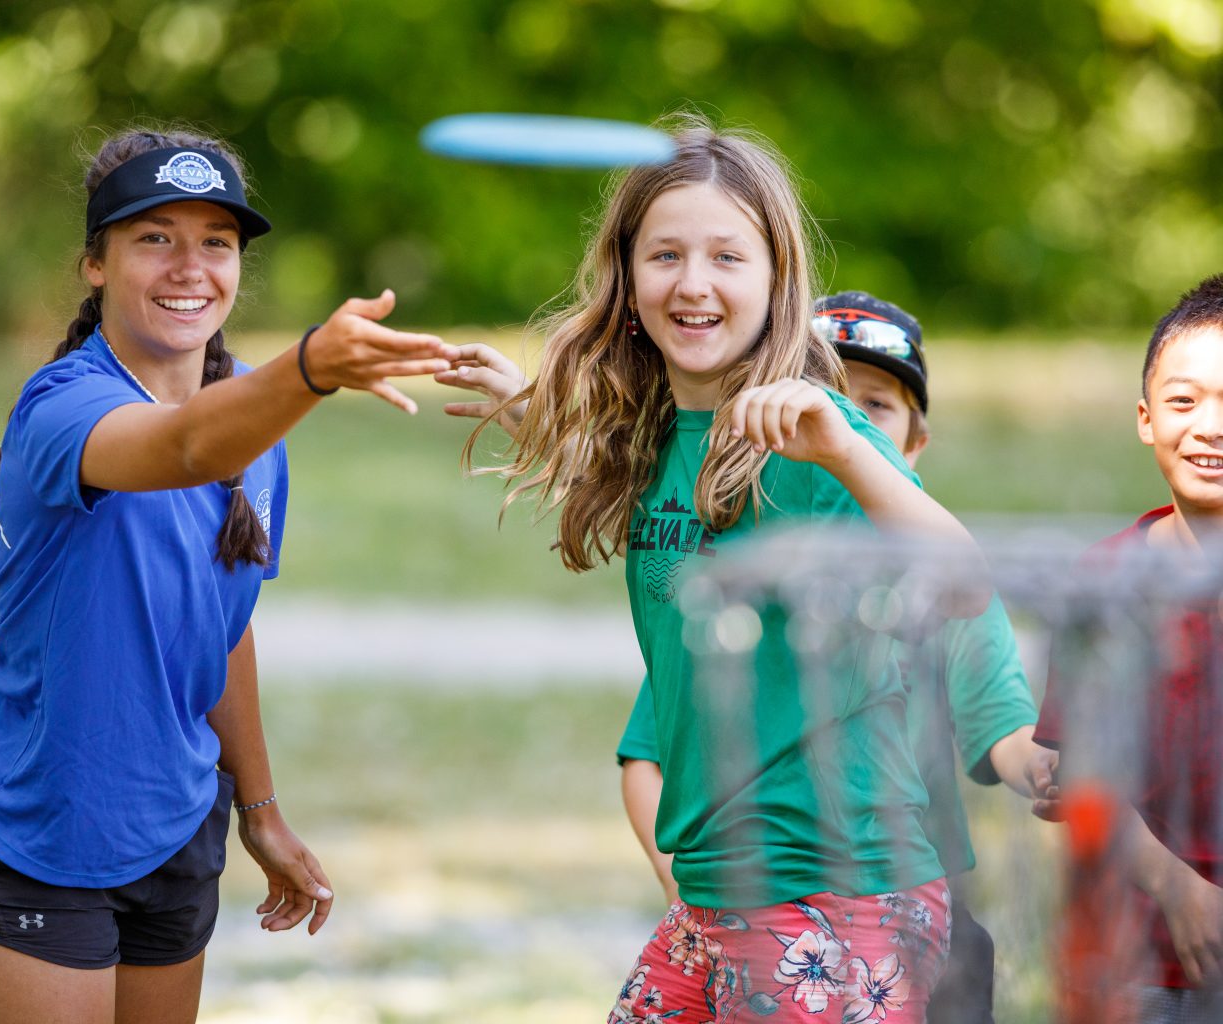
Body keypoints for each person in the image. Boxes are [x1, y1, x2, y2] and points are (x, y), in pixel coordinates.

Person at [440, 114, 986, 1023]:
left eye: (728, 258)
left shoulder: (814, 433)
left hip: (836, 890)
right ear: (625, 279)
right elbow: (664, 501)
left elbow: (965, 582)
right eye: (665, 256)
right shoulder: (662, 432)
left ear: (778, 280)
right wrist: (526, 406)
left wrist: (849, 451)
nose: (693, 284)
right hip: (716, 891)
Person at [0, 126, 457, 1024]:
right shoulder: (65, 408)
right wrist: (313, 366)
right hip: (31, 823)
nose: (189, 267)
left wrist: (260, 808)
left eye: (217, 242)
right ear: (95, 262)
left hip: (171, 823)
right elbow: (187, 443)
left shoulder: (254, 419)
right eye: (154, 237)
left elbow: (219, 620)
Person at [614, 290, 1056, 1024]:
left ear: (914, 445)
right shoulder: (748, 600)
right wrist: (690, 887)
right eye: (817, 403)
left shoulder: (936, 587)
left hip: (891, 902)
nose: (834, 428)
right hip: (738, 901)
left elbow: (1002, 726)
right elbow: (648, 752)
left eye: (872, 408)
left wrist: (1039, 766)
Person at [1033, 273, 1223, 1022]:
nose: (1209, 425)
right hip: (1143, 957)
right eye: (1185, 401)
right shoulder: (1106, 581)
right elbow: (1077, 776)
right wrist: (1178, 891)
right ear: (1145, 419)